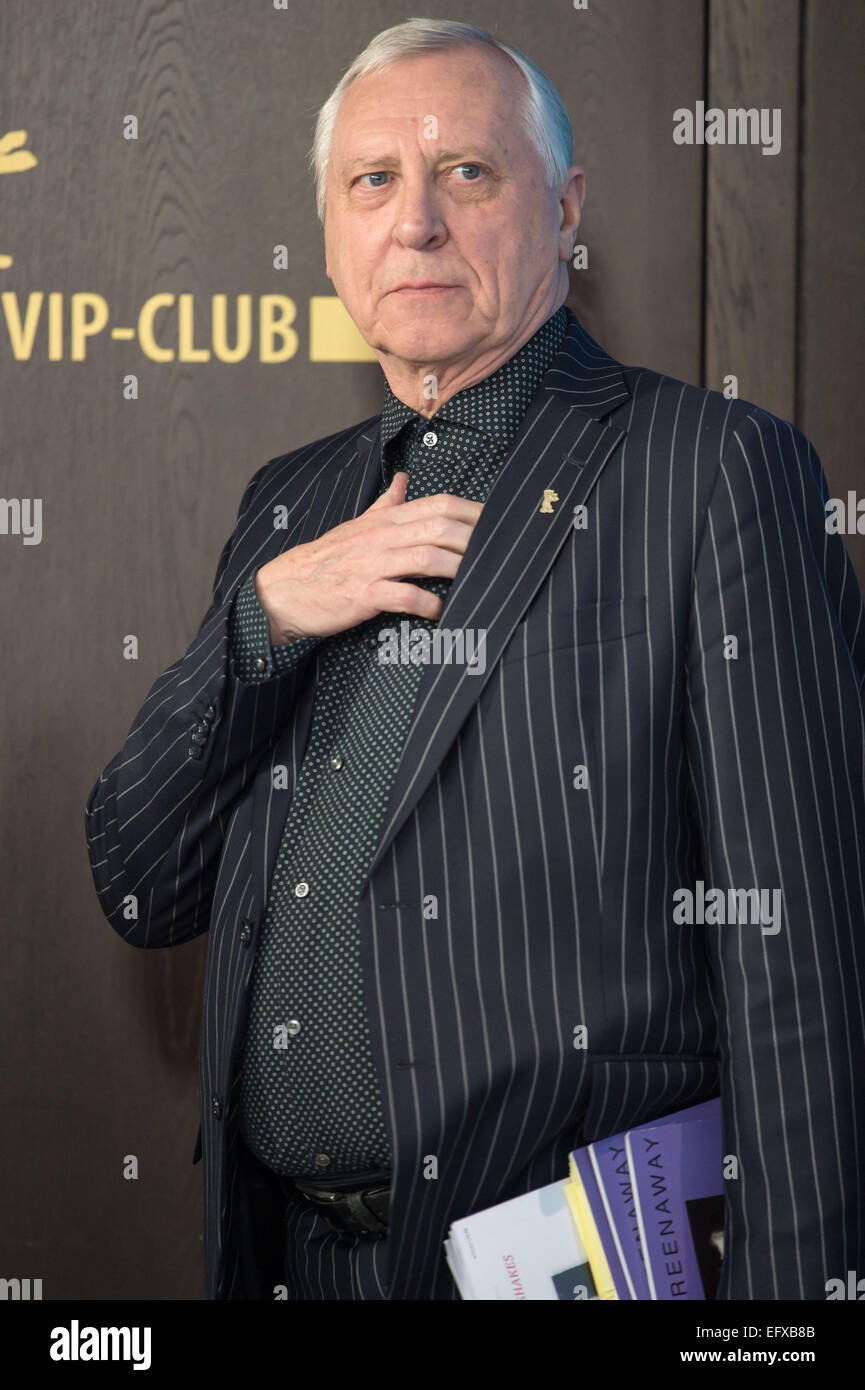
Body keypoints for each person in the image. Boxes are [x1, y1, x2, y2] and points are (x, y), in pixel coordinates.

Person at [85, 18, 865, 1301]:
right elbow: (138, 881)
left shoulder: (713, 471)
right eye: (374, 180)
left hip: (578, 1264)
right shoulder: (289, 508)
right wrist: (259, 622)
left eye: (469, 174)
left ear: (564, 211)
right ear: (331, 235)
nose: (418, 223)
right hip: (293, 1262)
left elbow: (807, 982)